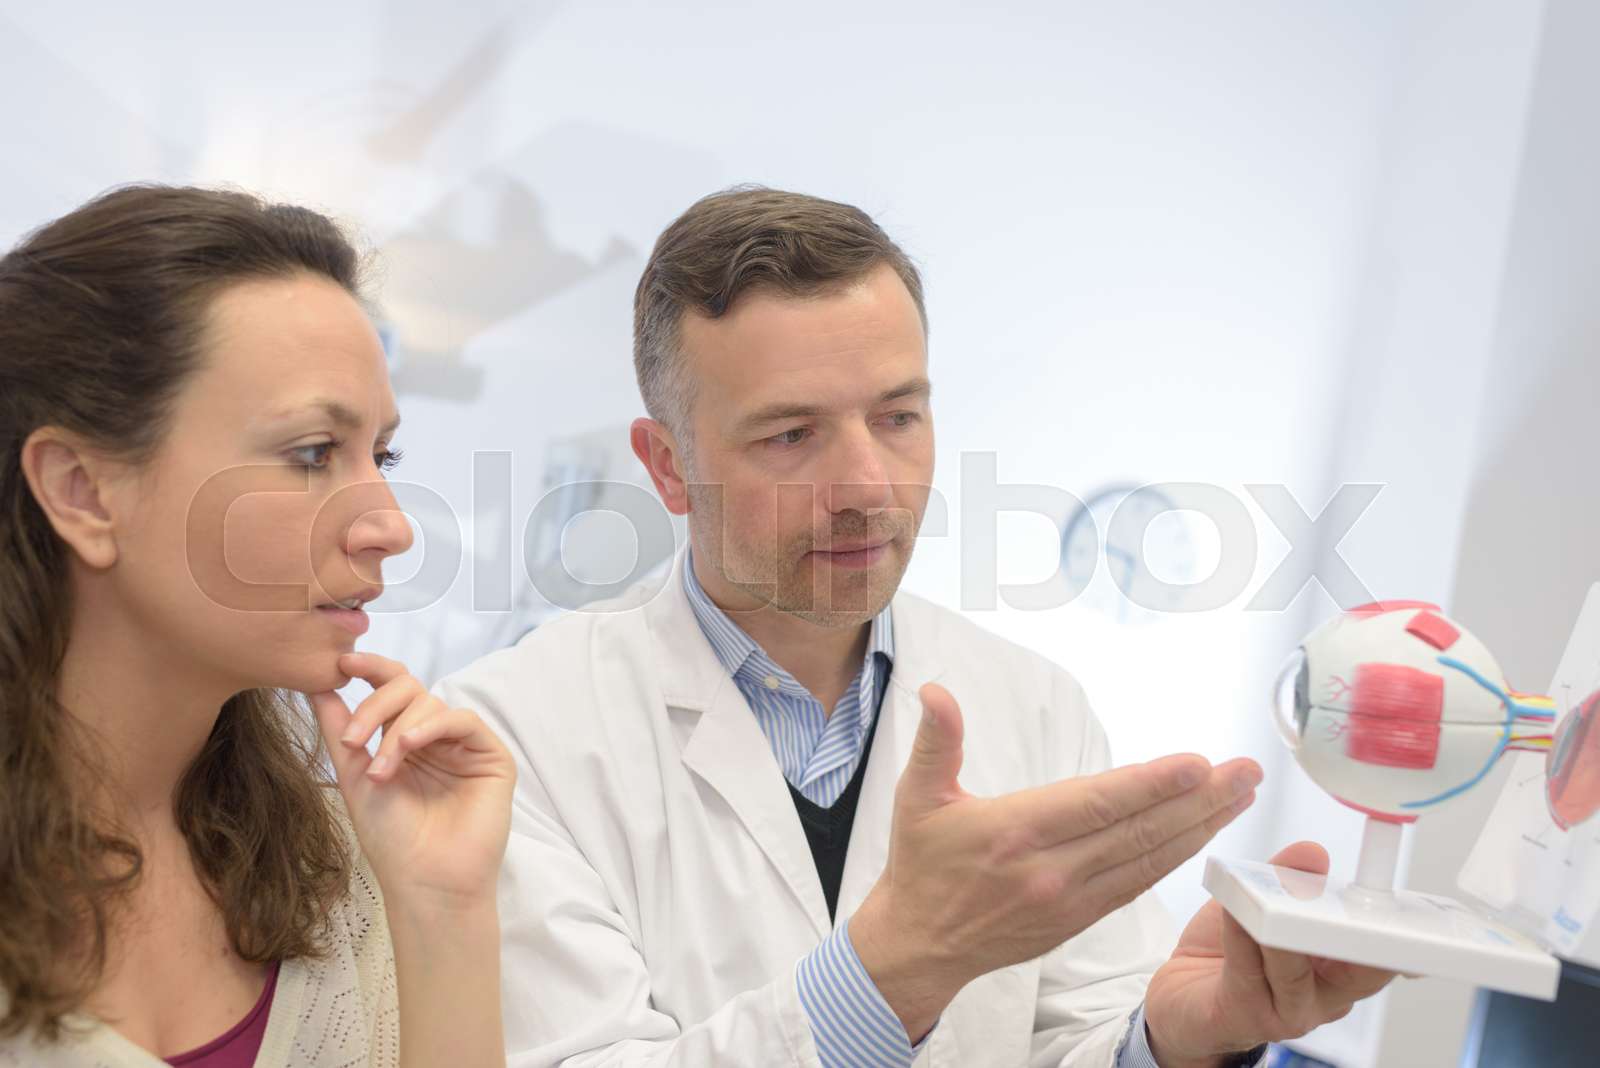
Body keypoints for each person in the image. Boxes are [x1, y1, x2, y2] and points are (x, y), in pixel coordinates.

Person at [438, 186, 1395, 1067]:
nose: (868, 488)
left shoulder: (1034, 706)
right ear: (667, 466)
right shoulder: (511, 738)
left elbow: (1076, 1036)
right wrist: (899, 968)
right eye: (790, 435)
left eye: (898, 417)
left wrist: (1176, 1036)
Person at [0, 185, 515, 1067]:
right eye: (313, 454)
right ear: (82, 491)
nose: (390, 525)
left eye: (381, 456)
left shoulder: (338, 869)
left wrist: (443, 912)